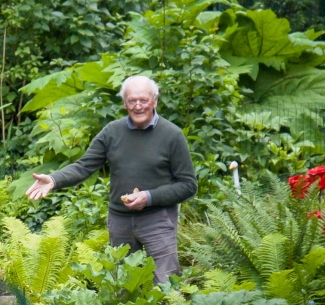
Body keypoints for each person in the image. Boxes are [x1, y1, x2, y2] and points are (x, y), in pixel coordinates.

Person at [25, 75, 197, 283]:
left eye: (143, 100)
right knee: (122, 285)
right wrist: (54, 179)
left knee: (166, 283)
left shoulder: (172, 135)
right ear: (124, 103)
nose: (138, 106)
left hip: (158, 220)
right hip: (120, 220)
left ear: (155, 101)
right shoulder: (112, 132)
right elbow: (84, 166)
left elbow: (188, 185)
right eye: (132, 100)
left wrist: (149, 197)